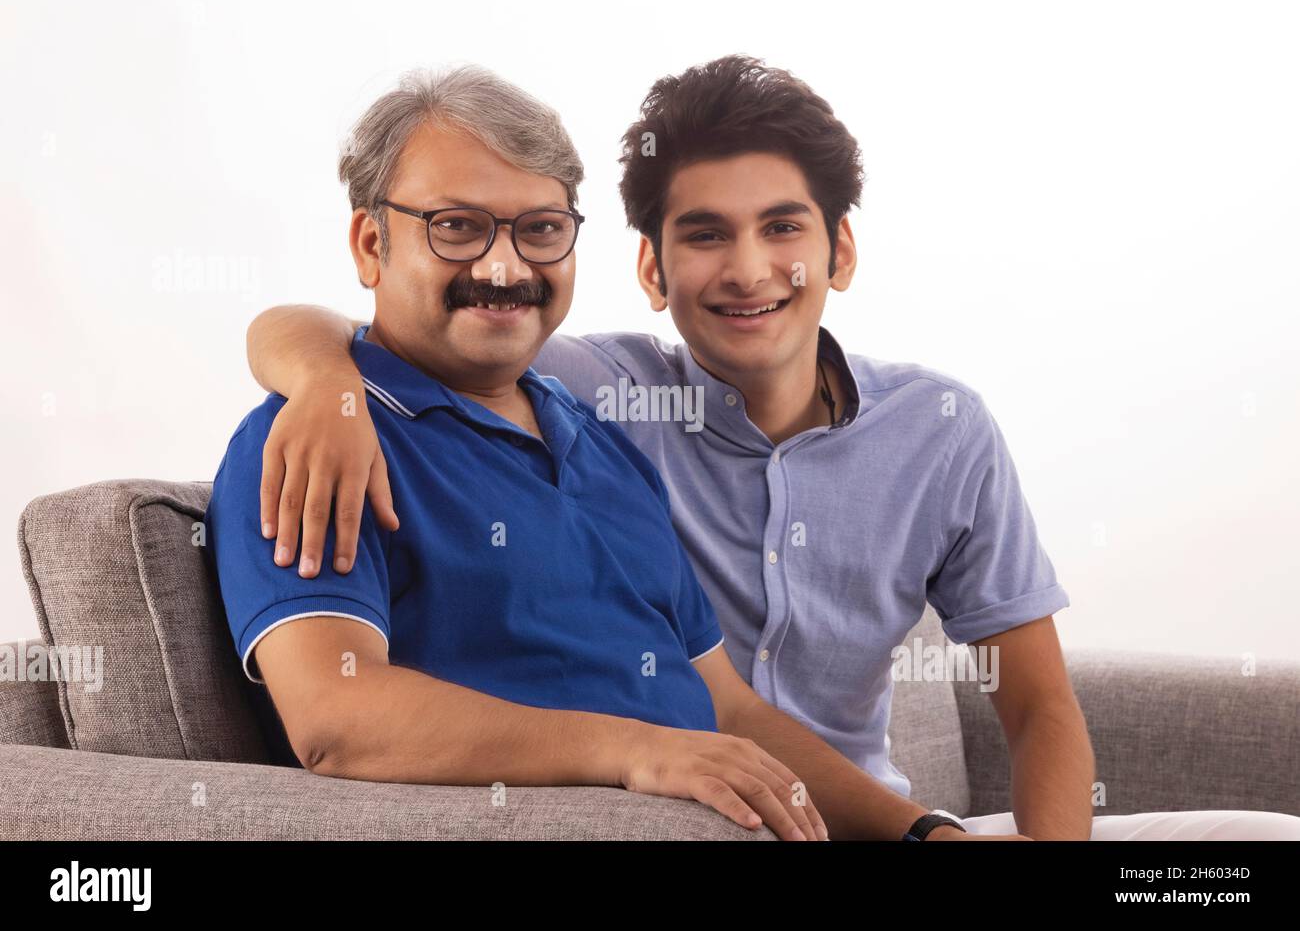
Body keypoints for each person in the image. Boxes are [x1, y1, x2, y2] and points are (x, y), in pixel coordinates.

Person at [244, 57, 1300, 840]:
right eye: (457, 228)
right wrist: (327, 381)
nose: (505, 268)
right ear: (653, 274)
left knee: (1241, 857)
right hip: (682, 816)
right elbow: (337, 716)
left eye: (538, 230)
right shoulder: (361, 434)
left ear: (839, 249)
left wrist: (928, 835)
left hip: (864, 821)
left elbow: (737, 705)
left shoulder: (598, 436)